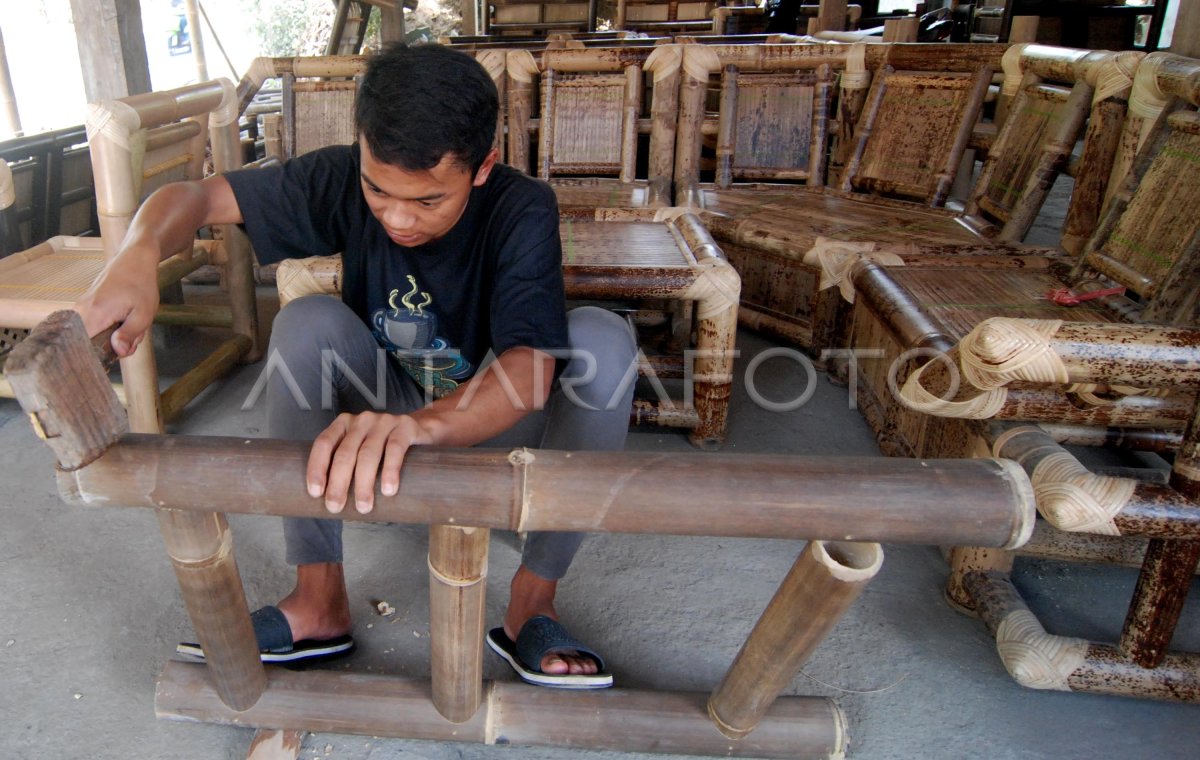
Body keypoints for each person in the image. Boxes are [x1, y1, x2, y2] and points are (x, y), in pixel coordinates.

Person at [76, 43, 638, 689]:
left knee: (603, 341)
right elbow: (197, 198)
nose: (398, 217)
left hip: (492, 423)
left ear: (482, 167)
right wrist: (137, 253)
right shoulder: (339, 177)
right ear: (362, 151)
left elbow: (529, 370)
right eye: (379, 190)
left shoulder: (521, 207)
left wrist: (424, 427)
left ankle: (530, 605)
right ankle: (319, 599)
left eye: (428, 200)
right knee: (306, 321)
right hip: (383, 414)